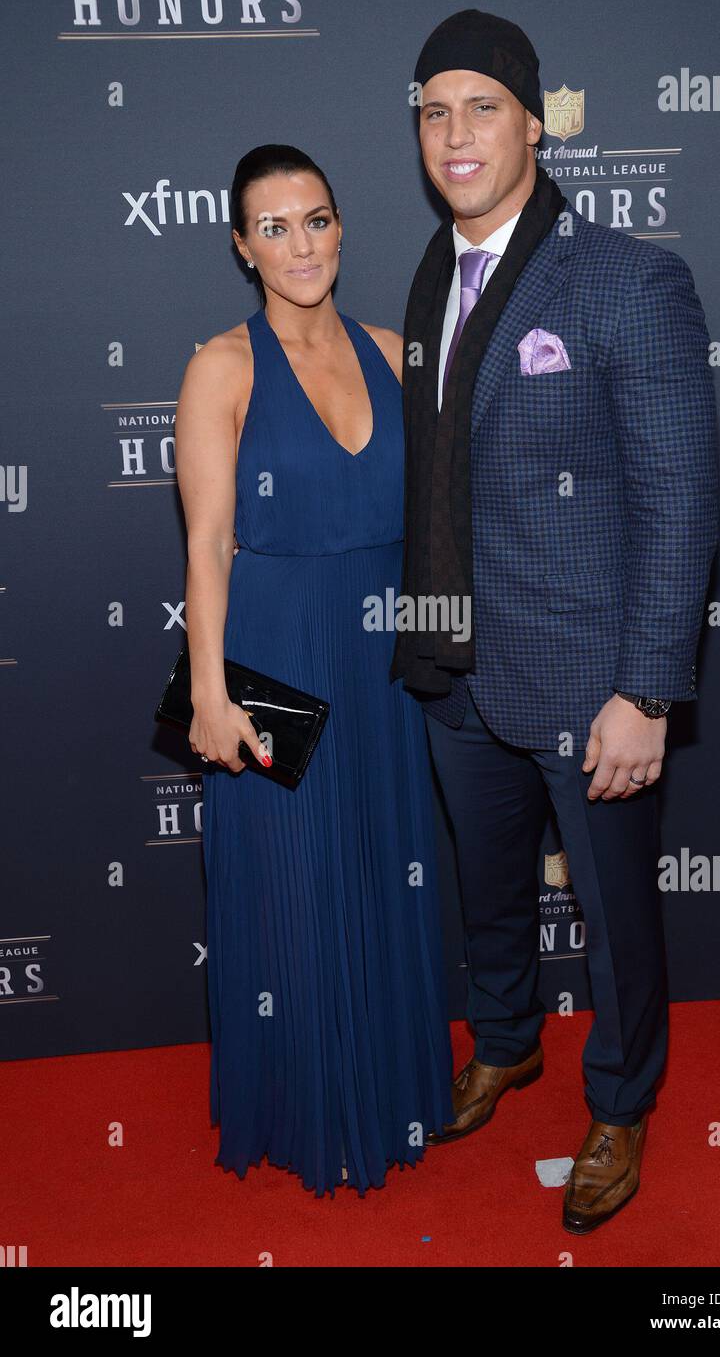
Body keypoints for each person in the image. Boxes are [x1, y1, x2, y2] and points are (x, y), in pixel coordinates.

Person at [391, 11, 719, 1234]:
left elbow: (681, 496)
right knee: (487, 891)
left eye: (483, 106)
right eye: (435, 110)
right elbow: (436, 474)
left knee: (615, 915)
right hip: (453, 663)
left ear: (535, 121)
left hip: (591, 682)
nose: (456, 132)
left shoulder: (627, 278)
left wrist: (647, 687)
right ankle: (508, 1042)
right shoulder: (434, 276)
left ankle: (622, 1103)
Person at [174, 143, 453, 1198]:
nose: (302, 244)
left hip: (386, 664)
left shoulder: (393, 349)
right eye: (276, 226)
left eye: (318, 219)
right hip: (276, 654)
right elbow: (205, 543)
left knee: (383, 874)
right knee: (294, 889)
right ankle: (306, 1106)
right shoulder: (221, 367)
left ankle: (388, 1095)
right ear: (243, 246)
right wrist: (208, 692)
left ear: (343, 227)